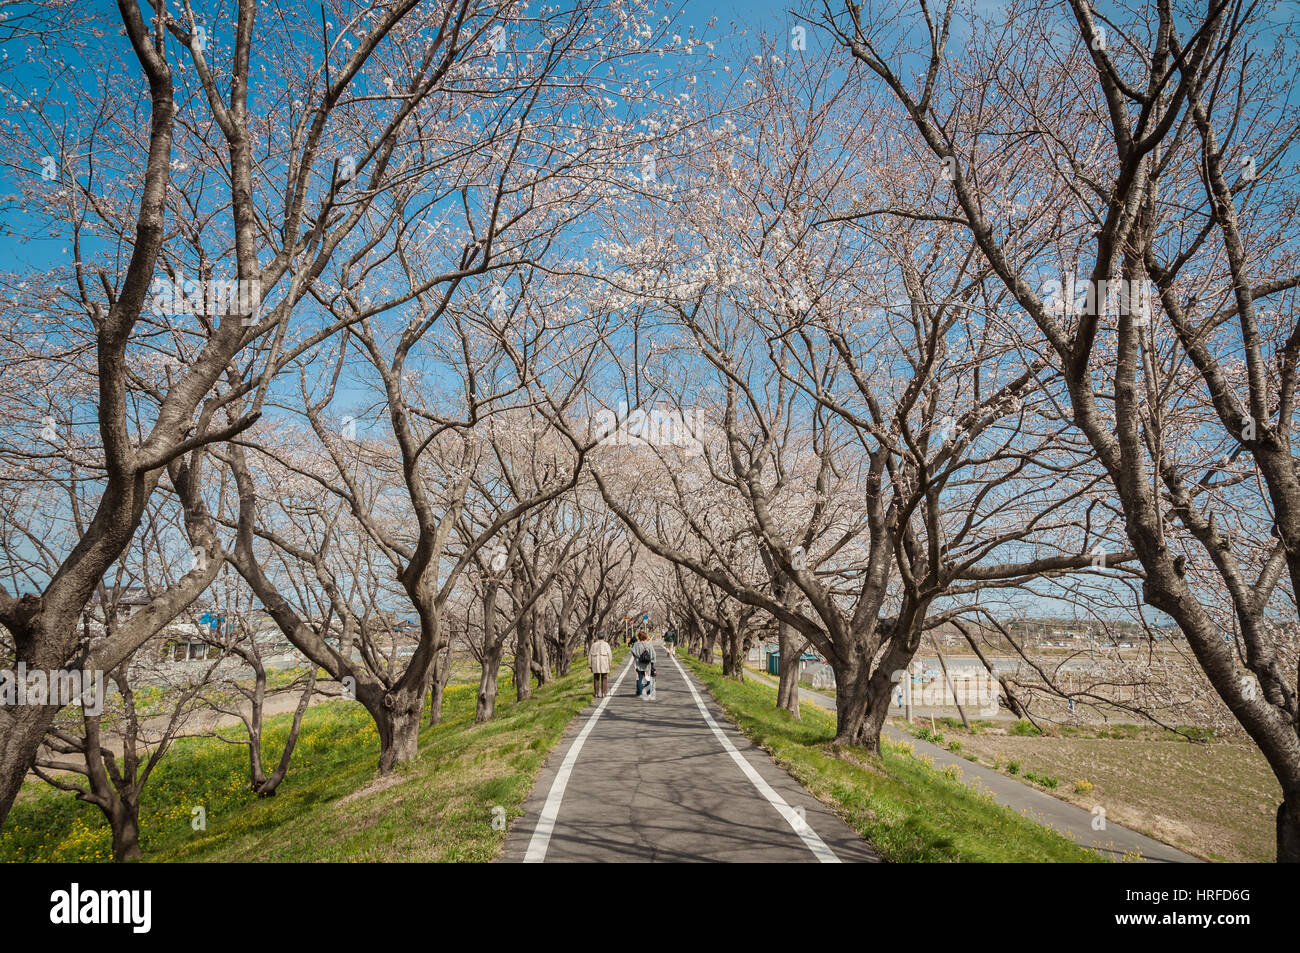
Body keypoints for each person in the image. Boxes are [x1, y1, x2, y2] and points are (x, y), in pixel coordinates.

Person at [630, 632, 656, 698]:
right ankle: (648, 693)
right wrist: (652, 662)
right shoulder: (649, 645)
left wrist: (637, 656)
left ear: (639, 637)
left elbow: (632, 652)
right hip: (647, 664)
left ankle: (639, 693)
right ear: (646, 637)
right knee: (647, 678)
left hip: (638, 664)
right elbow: (653, 655)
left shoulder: (636, 644)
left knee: (639, 678)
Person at [588, 633, 612, 699]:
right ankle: (604, 693)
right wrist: (609, 663)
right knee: (604, 677)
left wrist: (590, 664)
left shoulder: (593, 645)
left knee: (596, 678)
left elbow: (590, 655)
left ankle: (596, 693)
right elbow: (609, 654)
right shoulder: (606, 644)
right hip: (604, 662)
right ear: (604, 637)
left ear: (597, 637)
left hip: (595, 663)